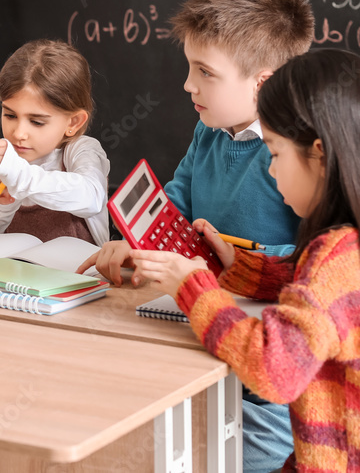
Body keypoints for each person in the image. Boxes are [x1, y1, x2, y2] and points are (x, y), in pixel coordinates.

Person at [77, 0, 315, 473]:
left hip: (266, 388)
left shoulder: (298, 160)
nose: (188, 85)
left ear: (262, 84)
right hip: (203, 336)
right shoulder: (209, 130)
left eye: (205, 72)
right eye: (190, 68)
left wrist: (234, 260)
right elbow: (175, 204)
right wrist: (134, 244)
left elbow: (309, 266)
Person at [131, 49, 360, 473]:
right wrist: (237, 264)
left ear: (319, 156)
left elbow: (275, 370)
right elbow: (316, 304)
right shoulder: (345, 249)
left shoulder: (334, 260)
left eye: (274, 154)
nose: (271, 173)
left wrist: (193, 289)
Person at [0, 39, 109, 245]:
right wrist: (1, 208)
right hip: (13, 274)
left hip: (75, 275)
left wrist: (20, 176)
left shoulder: (81, 150)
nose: (19, 133)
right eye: (10, 115)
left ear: (73, 122)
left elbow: (91, 198)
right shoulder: (9, 161)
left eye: (37, 121)